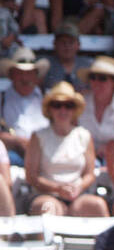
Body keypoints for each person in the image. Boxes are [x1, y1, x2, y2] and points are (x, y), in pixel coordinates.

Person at [24, 81, 108, 217]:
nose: (63, 110)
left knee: (97, 205)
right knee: (48, 208)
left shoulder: (84, 135)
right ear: (50, 109)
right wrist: (57, 188)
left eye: (69, 105)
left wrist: (78, 187)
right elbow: (31, 176)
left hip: (78, 195)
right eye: (57, 105)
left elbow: (90, 174)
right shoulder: (38, 136)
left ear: (74, 110)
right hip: (46, 194)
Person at [0, 47, 50, 165]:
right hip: (13, 155)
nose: (25, 78)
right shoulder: (2, 99)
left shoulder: (50, 100)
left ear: (36, 75)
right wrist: (16, 141)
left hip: (47, 152)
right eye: (20, 73)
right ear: (11, 75)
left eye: (29, 73)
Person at [76, 54, 114, 158]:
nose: (96, 82)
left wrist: (110, 148)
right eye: (93, 77)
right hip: (82, 157)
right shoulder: (79, 103)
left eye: (102, 78)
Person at [44, 22, 92, 90]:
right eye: (63, 42)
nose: (67, 46)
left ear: (78, 45)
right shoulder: (46, 66)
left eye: (71, 42)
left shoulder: (88, 65)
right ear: (55, 44)